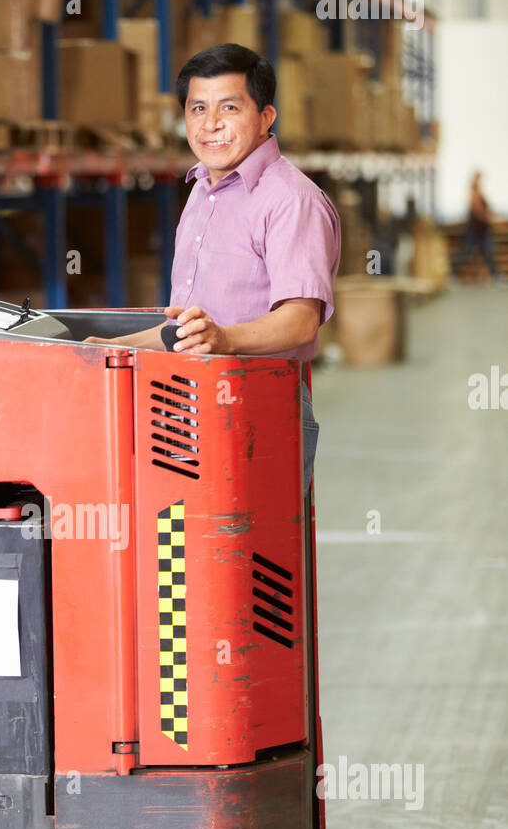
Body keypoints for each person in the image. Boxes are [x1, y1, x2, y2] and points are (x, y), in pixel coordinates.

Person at [92, 42, 342, 492]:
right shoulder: (201, 193)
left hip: (257, 415)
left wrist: (223, 339)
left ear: (266, 116)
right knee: (183, 552)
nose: (210, 125)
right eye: (197, 108)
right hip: (181, 409)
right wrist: (106, 348)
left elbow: (301, 322)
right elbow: (189, 329)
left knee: (242, 553)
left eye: (229, 107)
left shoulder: (290, 200)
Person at [452, 172, 503, 282]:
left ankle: (496, 276)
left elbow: (485, 211)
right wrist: (489, 218)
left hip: (482, 230)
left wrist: (491, 215)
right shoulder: (474, 195)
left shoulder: (479, 194)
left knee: (488, 253)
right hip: (474, 230)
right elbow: (478, 212)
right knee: (466, 253)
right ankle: (452, 272)